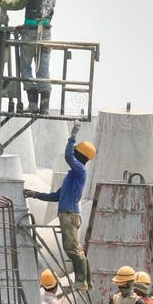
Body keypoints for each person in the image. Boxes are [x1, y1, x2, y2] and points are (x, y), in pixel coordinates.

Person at [23, 122, 96, 291]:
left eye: (76, 151)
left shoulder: (79, 170)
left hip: (69, 214)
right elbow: (56, 196)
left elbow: (68, 156)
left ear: (80, 155)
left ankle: (81, 281)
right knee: (76, 248)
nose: (74, 154)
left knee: (71, 248)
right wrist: (34, 194)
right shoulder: (72, 176)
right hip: (69, 213)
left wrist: (72, 136)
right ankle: (88, 281)